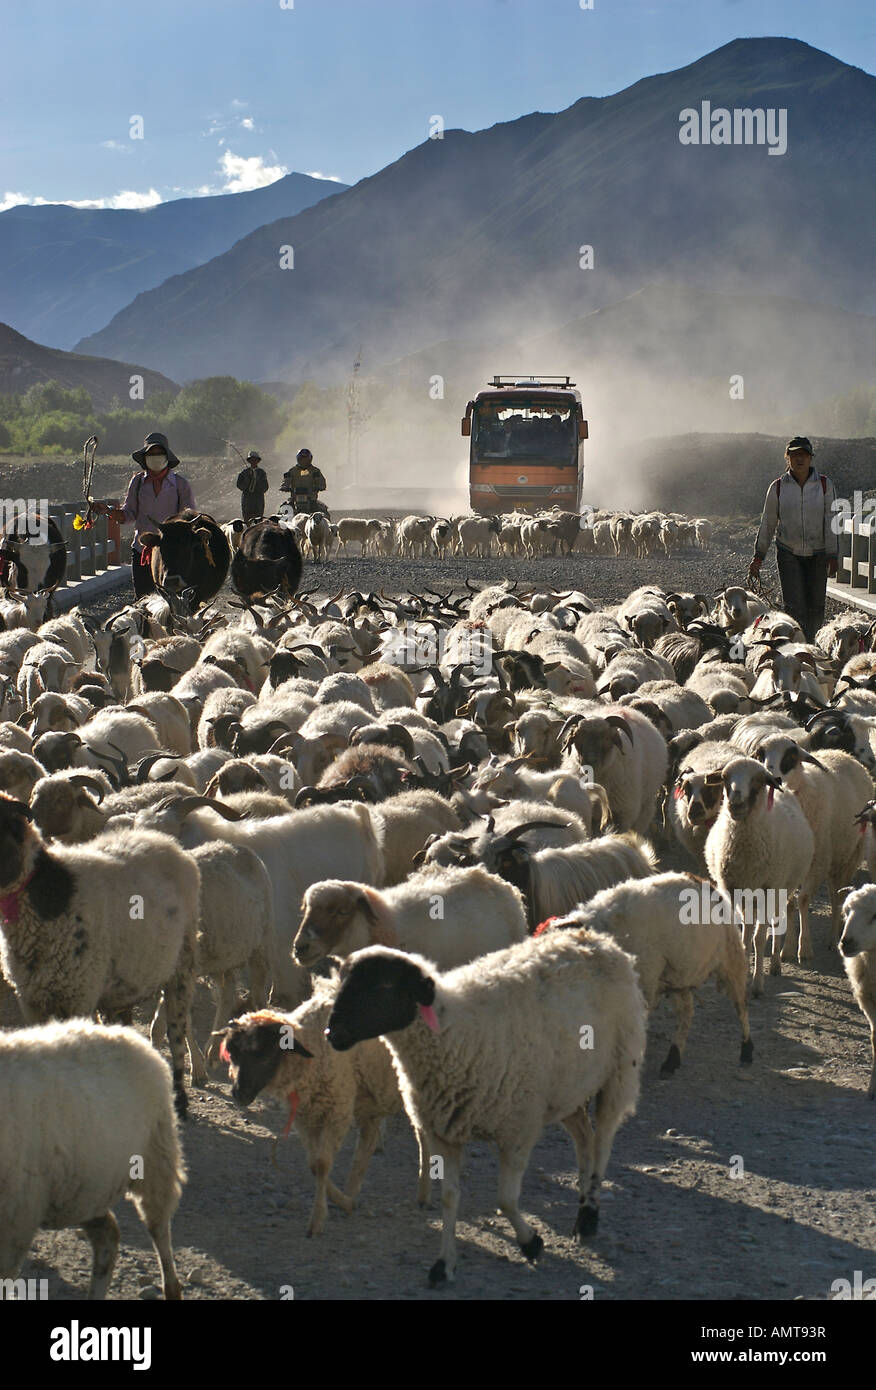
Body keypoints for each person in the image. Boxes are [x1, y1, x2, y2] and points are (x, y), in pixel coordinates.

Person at [747, 436, 838, 642]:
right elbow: (768, 523)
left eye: (804, 455)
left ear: (810, 458)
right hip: (789, 553)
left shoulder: (824, 485)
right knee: (795, 606)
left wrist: (833, 555)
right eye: (795, 455)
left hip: (819, 553)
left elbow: (831, 520)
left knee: (816, 605)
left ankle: (813, 643)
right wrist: (758, 556)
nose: (800, 460)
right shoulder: (778, 488)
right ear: (787, 458)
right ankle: (798, 646)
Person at [94, 431, 195, 598]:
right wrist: (109, 511)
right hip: (143, 550)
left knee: (172, 601)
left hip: (171, 555)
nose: (155, 457)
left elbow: (189, 518)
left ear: (166, 456)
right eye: (151, 454)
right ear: (145, 457)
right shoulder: (138, 482)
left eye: (159, 453)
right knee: (143, 601)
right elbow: (129, 513)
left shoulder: (180, 484)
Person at [279, 448, 327, 513]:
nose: (304, 461)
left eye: (306, 459)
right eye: (302, 459)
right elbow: (286, 481)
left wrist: (320, 486)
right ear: (298, 459)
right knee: (283, 510)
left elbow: (321, 482)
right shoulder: (292, 471)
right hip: (295, 498)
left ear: (310, 459)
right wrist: (284, 487)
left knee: (321, 512)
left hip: (311, 499)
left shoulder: (315, 471)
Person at [236, 449, 268, 523]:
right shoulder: (244, 473)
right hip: (247, 501)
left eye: (255, 460)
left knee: (258, 520)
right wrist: (248, 479)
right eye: (252, 460)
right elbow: (239, 486)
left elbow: (265, 487)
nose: (253, 461)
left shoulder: (261, 473)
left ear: (258, 461)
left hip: (258, 501)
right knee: (247, 520)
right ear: (249, 461)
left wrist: (256, 480)